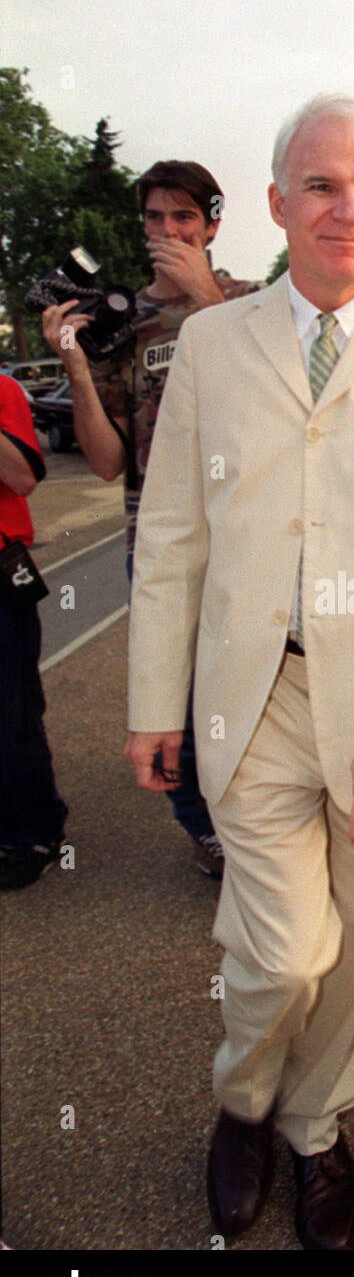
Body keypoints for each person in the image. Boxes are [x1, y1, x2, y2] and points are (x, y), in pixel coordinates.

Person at [125, 95, 354, 1250]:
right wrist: (153, 703)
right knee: (286, 951)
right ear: (279, 202)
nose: (351, 210)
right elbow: (175, 535)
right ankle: (248, 1105)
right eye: (324, 187)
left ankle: (309, 1121)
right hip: (254, 701)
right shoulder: (210, 345)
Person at [41, 162, 260, 878]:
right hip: (161, 531)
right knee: (182, 686)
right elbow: (106, 462)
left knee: (266, 671)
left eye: (184, 219)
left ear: (212, 226)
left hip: (251, 519)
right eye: (156, 220)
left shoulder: (253, 304)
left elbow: (281, 404)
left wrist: (205, 300)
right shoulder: (123, 322)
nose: (168, 232)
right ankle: (205, 828)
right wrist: (74, 365)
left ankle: (268, 813)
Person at [0, 375, 68, 891]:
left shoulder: (3, 389)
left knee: (13, 713)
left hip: (1, 572)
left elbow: (23, 477)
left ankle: (39, 831)